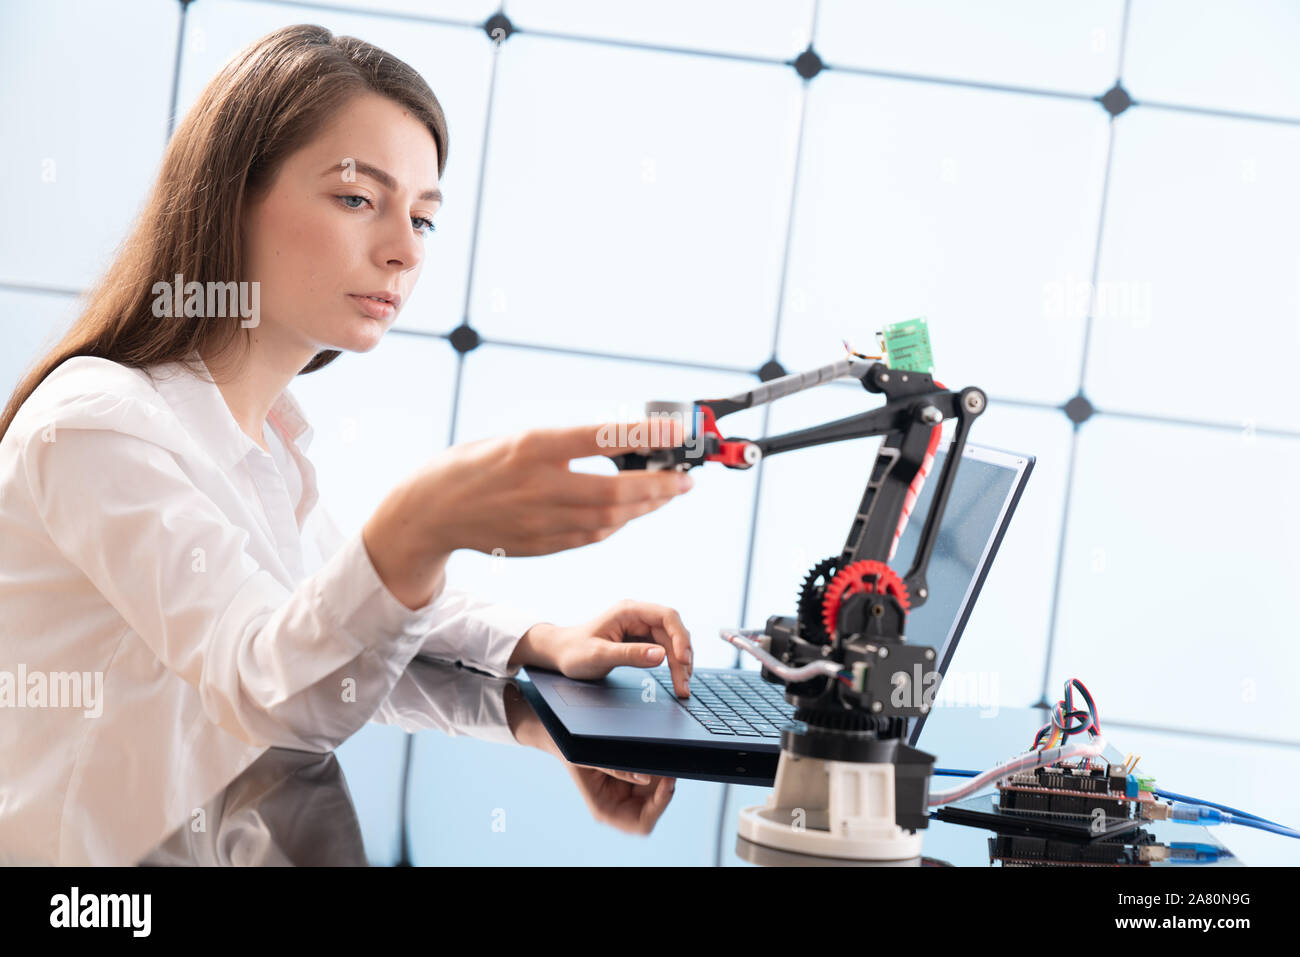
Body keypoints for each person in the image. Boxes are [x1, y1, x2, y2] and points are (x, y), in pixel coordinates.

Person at [0, 24, 694, 865]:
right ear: (231, 195)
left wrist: (542, 641)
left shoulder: (268, 439)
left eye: (424, 218)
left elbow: (337, 618)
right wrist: (423, 522)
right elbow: (271, 687)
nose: (403, 249)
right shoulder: (98, 422)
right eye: (358, 198)